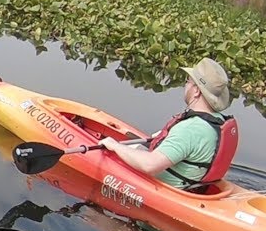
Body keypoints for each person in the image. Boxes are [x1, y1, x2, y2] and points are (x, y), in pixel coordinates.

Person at [100, 57, 238, 191]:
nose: (185, 85)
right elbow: (191, 144)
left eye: (188, 81)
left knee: (118, 154)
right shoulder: (217, 121)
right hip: (196, 187)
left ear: (196, 91)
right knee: (136, 147)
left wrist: (115, 146)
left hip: (171, 190)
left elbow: (149, 165)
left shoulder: (189, 130)